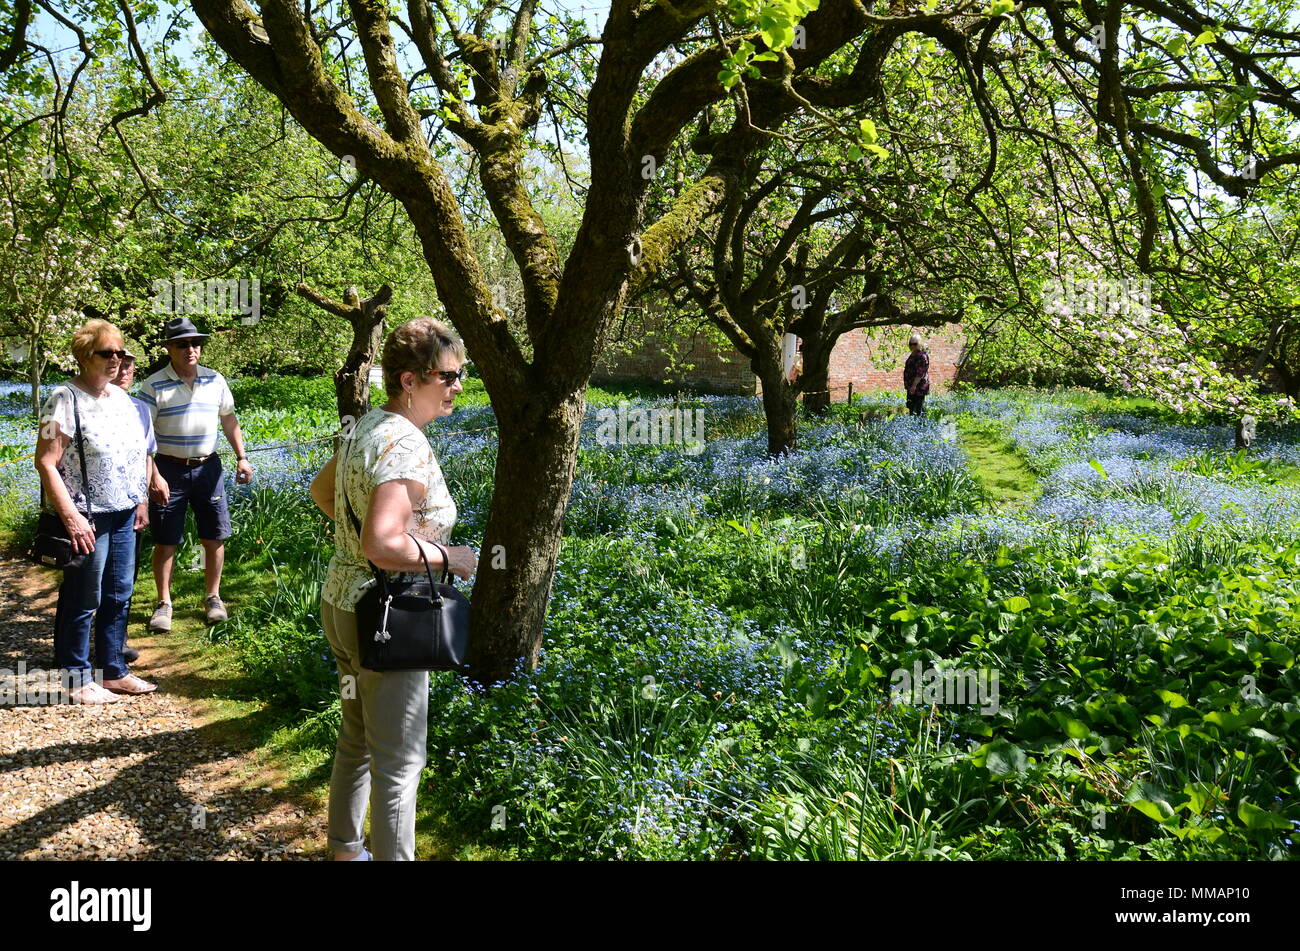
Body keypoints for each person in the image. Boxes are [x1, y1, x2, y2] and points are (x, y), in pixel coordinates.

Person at [309, 316, 478, 861]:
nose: (457, 385)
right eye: (447, 375)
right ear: (410, 380)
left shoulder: (366, 426)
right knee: (401, 762)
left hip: (342, 602)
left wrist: (356, 541)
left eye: (461, 374)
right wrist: (448, 558)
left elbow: (322, 490)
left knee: (357, 741)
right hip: (388, 616)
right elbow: (384, 544)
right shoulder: (404, 445)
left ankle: (345, 850)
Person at [34, 319, 156, 703]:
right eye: (108, 353)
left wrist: (141, 499)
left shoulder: (120, 399)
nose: (118, 359)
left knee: (119, 594)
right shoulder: (63, 399)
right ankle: (76, 678)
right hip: (87, 516)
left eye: (121, 352)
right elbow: (46, 461)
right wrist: (71, 517)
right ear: (86, 356)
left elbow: (136, 456)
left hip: (123, 513)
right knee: (83, 597)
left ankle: (113, 671)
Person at [138, 317, 253, 631]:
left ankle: (213, 598)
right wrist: (154, 476)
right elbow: (143, 438)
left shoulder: (215, 379)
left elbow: (229, 420)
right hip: (168, 470)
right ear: (168, 348)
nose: (190, 349)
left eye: (195, 343)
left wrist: (242, 458)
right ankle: (163, 604)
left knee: (214, 536)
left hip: (208, 468)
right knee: (166, 539)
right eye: (182, 344)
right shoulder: (153, 385)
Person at [111, 349, 157, 665]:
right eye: (118, 363)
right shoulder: (80, 404)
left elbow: (147, 456)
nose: (125, 369)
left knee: (124, 578)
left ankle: (115, 644)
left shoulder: (140, 409)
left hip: (131, 505)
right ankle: (71, 653)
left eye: (130, 364)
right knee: (84, 583)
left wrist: (145, 500)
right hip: (93, 508)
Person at [903, 332, 930, 417]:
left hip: (918, 387)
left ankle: (921, 427)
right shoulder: (913, 354)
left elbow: (920, 373)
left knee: (918, 409)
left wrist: (914, 386)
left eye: (914, 344)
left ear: (919, 344)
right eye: (910, 344)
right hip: (911, 386)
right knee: (910, 407)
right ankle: (914, 426)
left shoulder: (921, 356)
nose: (912, 346)